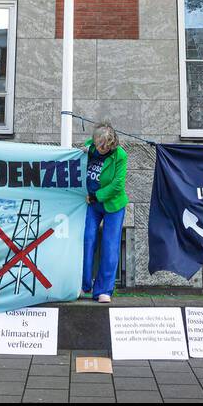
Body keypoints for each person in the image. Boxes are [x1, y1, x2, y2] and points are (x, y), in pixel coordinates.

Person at [80, 122, 128, 304]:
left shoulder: (120, 156)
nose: (101, 149)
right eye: (98, 145)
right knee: (87, 239)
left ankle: (104, 290)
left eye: (105, 146)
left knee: (109, 245)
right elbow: (82, 152)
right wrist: (83, 151)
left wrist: (95, 196)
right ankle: (85, 285)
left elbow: (117, 185)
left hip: (112, 205)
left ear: (111, 143)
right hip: (92, 204)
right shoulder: (91, 147)